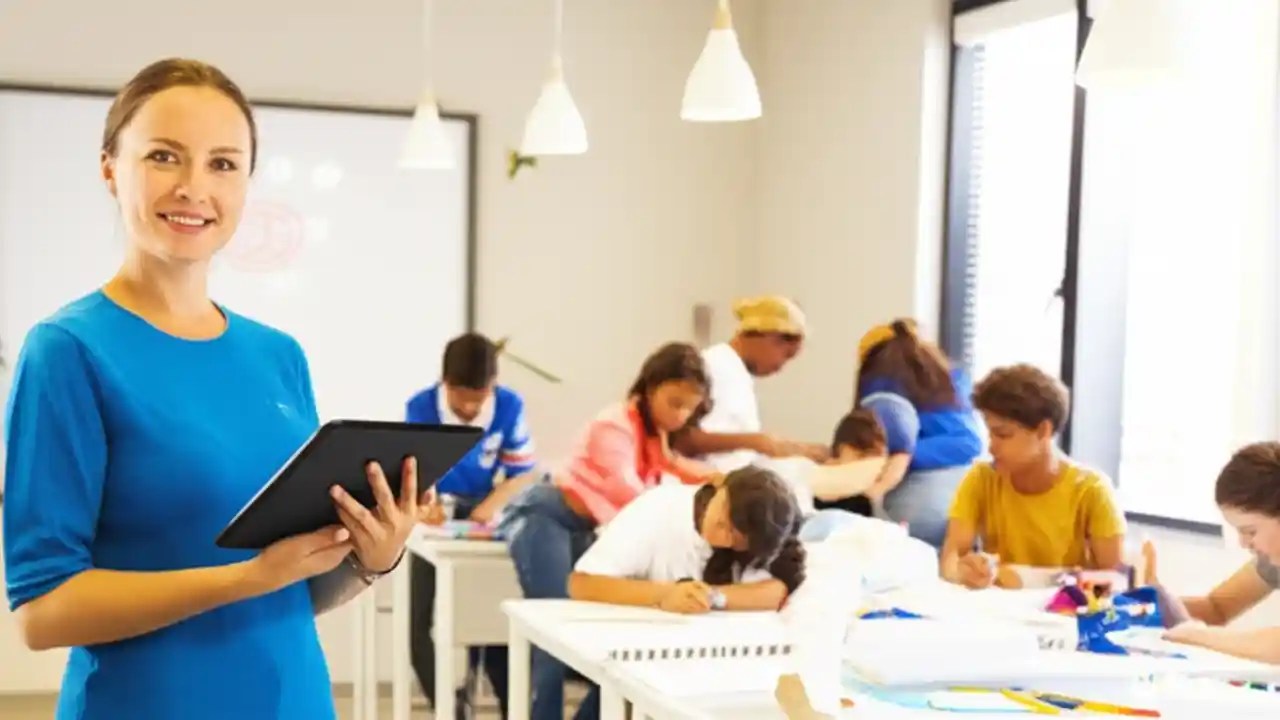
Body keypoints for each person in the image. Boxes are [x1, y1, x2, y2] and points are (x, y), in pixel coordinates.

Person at [1, 58, 415, 720]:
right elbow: (43, 611)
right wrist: (245, 578)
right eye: (165, 157)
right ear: (110, 168)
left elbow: (290, 587)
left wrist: (371, 558)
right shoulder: (68, 351)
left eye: (223, 164)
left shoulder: (279, 356)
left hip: (295, 701)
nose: (195, 187)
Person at [498, 341, 717, 720]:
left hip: (583, 528)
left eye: (689, 408)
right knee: (552, 631)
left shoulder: (654, 433)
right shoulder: (613, 425)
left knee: (602, 641)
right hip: (546, 516)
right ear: (650, 389)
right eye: (674, 402)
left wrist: (720, 480)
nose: (681, 415)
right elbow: (630, 493)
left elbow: (674, 466)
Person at [404, 332, 538, 718]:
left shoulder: (509, 406)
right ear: (444, 383)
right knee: (419, 626)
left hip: (485, 518)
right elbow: (414, 468)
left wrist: (492, 503)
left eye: (477, 398)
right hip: (435, 516)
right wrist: (424, 500)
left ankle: (512, 708)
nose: (467, 406)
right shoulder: (421, 406)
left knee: (491, 626)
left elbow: (523, 473)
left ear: (491, 387)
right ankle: (450, 708)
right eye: (460, 396)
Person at [940, 364, 1126, 589]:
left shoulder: (1091, 489)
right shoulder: (981, 478)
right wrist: (962, 572)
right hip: (999, 613)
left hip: (1066, 616)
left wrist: (1026, 578)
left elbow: (1118, 580)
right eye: (990, 433)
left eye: (1003, 434)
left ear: (1043, 431)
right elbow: (950, 559)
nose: (991, 447)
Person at [569, 464, 806, 612]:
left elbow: (778, 589)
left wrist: (711, 597)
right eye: (722, 521)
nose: (721, 538)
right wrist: (664, 595)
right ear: (718, 483)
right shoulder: (659, 508)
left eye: (734, 539)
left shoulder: (765, 535)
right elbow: (582, 584)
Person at [853, 319, 984, 547]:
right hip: (966, 502)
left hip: (919, 506)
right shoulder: (951, 377)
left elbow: (879, 448)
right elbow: (970, 443)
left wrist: (899, 456)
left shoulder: (877, 382)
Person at [1152, 442, 1280, 664]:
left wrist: (1199, 635)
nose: (1244, 543)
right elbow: (1217, 608)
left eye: (1250, 531)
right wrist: (1154, 605)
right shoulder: (1271, 562)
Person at [675, 295, 830, 472]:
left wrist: (797, 449)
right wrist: (756, 442)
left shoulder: (738, 373)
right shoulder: (712, 365)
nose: (781, 366)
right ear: (766, 336)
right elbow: (683, 440)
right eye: (785, 355)